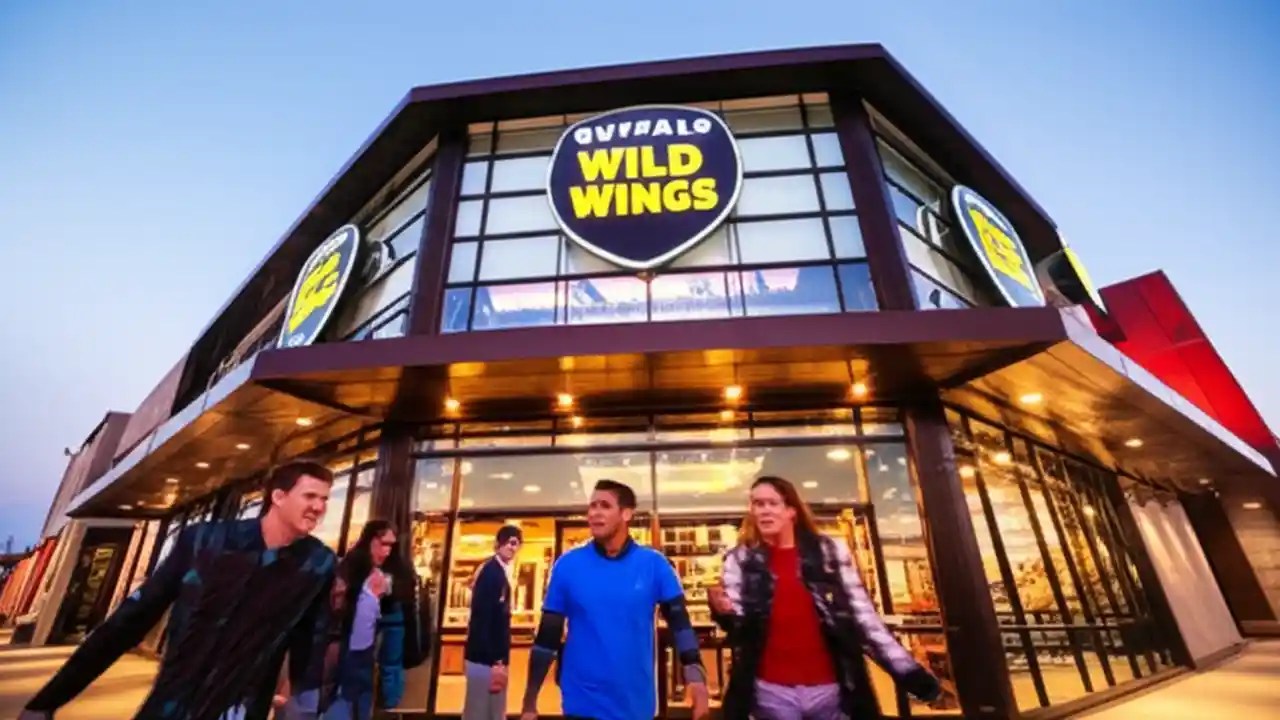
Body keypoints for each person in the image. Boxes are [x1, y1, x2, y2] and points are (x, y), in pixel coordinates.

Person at [20, 460, 339, 720]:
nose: (319, 507)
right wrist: (48, 700)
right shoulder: (205, 542)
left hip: (239, 709)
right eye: (310, 496)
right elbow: (129, 621)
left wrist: (305, 706)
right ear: (278, 497)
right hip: (170, 706)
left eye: (324, 499)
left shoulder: (319, 563)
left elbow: (310, 641)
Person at [708, 475, 941, 720]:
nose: (764, 510)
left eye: (772, 503)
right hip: (771, 692)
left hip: (831, 690)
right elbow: (740, 627)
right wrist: (721, 611)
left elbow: (864, 620)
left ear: (791, 510)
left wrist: (910, 674)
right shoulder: (740, 560)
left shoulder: (828, 552)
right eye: (757, 503)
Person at [520, 480, 709, 720]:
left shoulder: (654, 565)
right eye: (592, 506)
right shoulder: (567, 566)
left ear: (626, 513)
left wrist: (696, 677)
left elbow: (680, 623)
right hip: (582, 704)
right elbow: (547, 636)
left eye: (605, 506)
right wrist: (529, 701)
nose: (595, 513)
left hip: (635, 705)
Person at [316, 520, 418, 720]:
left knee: (359, 696)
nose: (387, 551)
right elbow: (338, 606)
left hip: (363, 645)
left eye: (391, 546)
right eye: (383, 544)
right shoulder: (354, 567)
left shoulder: (376, 569)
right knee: (345, 699)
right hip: (348, 646)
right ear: (370, 540)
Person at [462, 524, 523, 720]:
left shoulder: (497, 571)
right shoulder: (491, 574)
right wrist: (497, 659)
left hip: (488, 658)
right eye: (510, 543)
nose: (513, 548)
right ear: (498, 544)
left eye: (517, 544)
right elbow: (484, 618)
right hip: (485, 659)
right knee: (482, 711)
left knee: (489, 710)